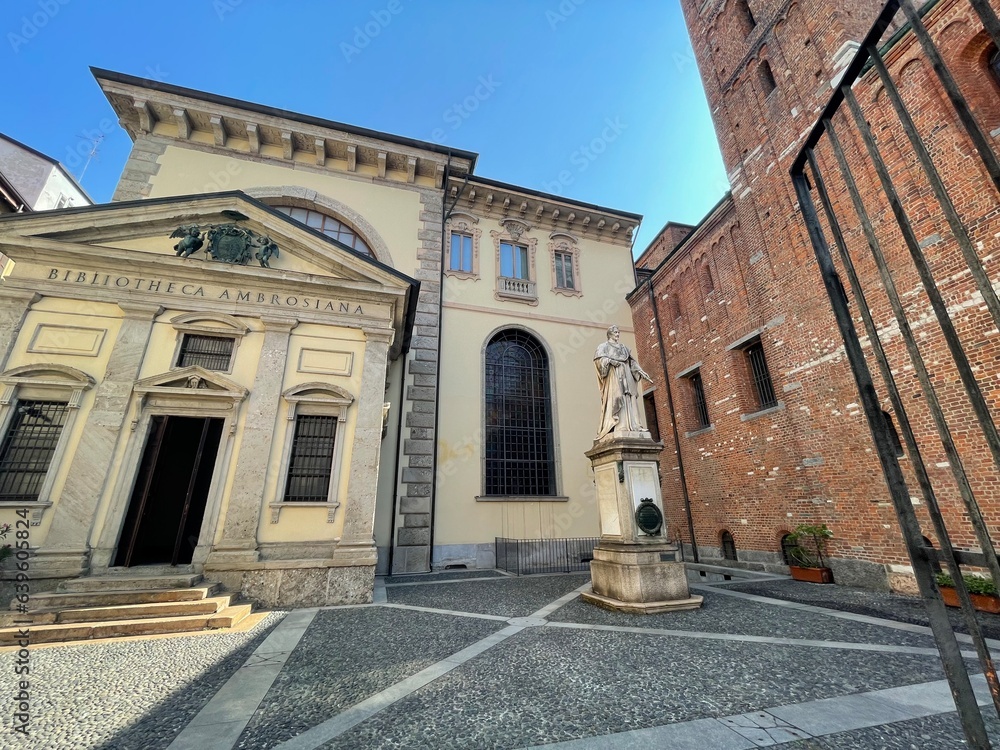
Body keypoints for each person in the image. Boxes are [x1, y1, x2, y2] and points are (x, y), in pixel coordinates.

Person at [594, 325, 653, 439]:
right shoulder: (603, 347)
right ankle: (620, 425)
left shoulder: (624, 348)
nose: (617, 334)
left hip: (626, 374)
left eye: (618, 332)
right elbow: (599, 361)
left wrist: (640, 371)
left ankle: (634, 425)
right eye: (615, 332)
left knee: (630, 398)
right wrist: (610, 361)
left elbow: (632, 362)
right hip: (614, 376)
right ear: (609, 334)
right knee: (617, 397)